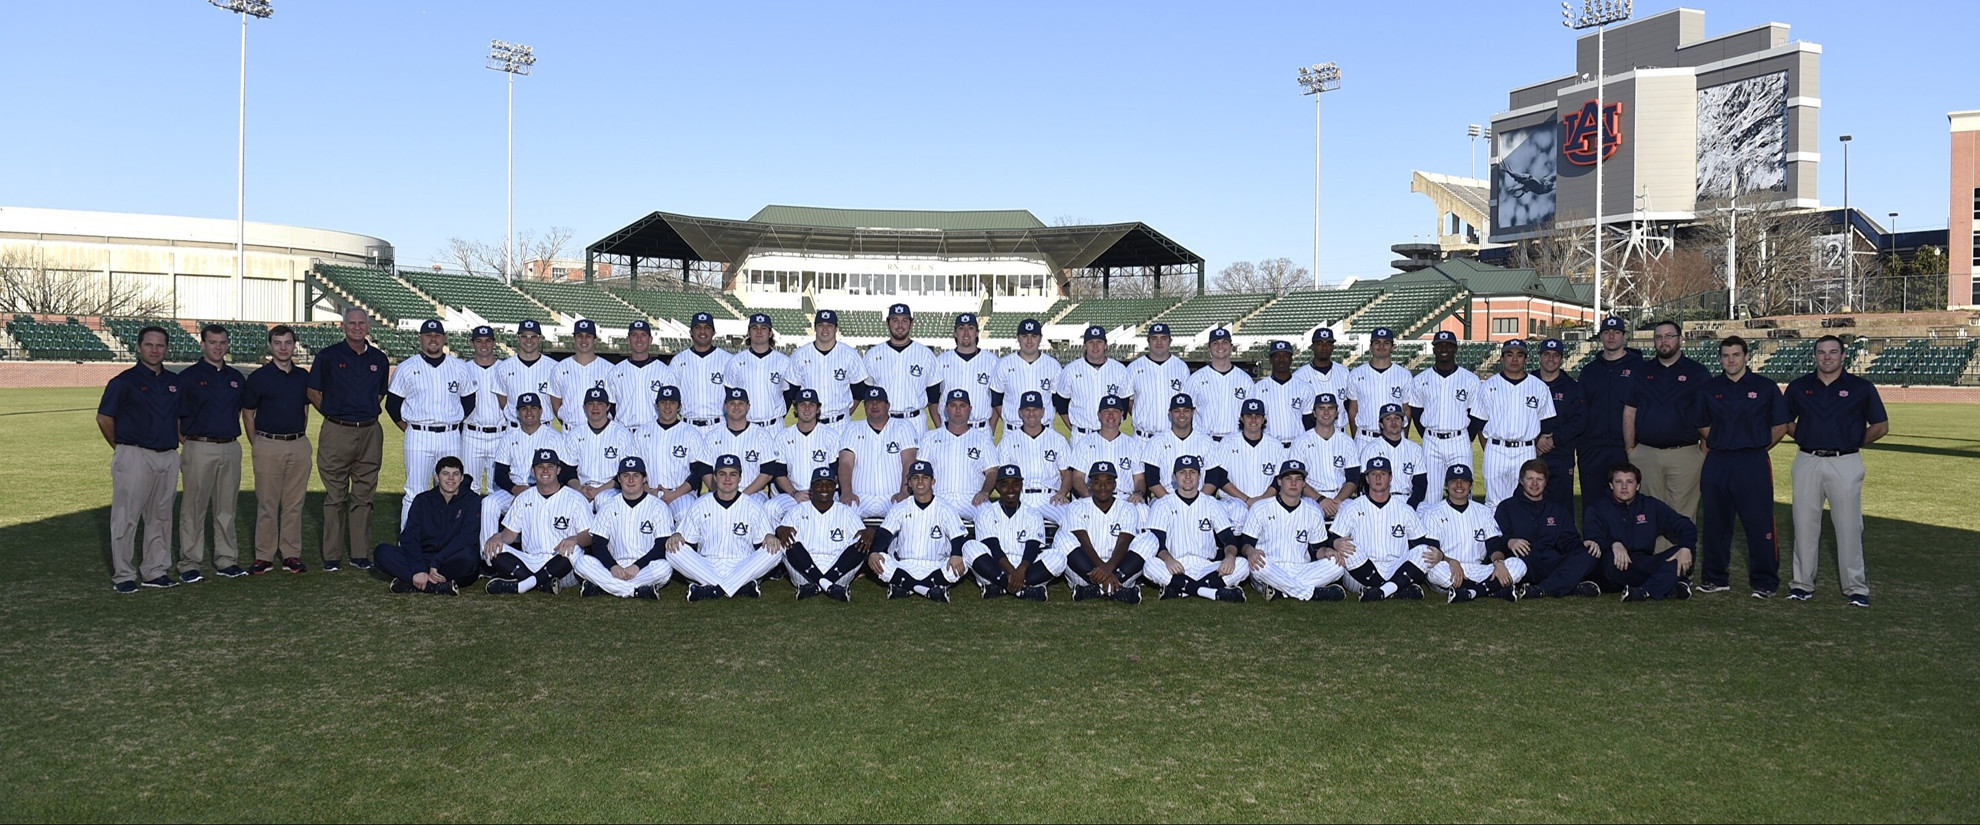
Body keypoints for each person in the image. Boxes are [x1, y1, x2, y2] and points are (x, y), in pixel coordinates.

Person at [1784, 334, 1887, 607]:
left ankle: (1855, 587)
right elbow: (1784, 422)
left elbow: (1880, 426)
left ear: (1843, 356)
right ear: (1815, 355)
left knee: (1849, 526)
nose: (1827, 357)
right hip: (1808, 460)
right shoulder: (1798, 387)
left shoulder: (1861, 387)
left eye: (1833, 352)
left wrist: (1851, 442)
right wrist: (1806, 437)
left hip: (1846, 462)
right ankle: (1801, 584)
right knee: (1804, 525)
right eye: (1821, 352)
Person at [1694, 335, 1789, 598]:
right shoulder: (1709, 388)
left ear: (1747, 356)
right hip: (1718, 461)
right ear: (1720, 358)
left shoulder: (1765, 387)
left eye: (1736, 355)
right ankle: (1715, 578)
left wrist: (1756, 447)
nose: (1731, 360)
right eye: (1726, 355)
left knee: (1759, 523)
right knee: (1715, 523)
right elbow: (1702, 423)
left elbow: (1780, 425)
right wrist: (1721, 441)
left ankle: (1765, 581)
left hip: (1752, 462)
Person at [98, 325, 183, 592]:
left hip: (167, 456)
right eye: (149, 345)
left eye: (160, 345)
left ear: (166, 349)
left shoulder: (174, 383)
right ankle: (123, 575)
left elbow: (179, 420)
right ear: (138, 347)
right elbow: (104, 418)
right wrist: (122, 449)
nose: (155, 350)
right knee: (126, 517)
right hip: (134, 454)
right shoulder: (123, 382)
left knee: (161, 517)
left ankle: (155, 571)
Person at [308, 306, 390, 572]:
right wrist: (335, 414)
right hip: (337, 430)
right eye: (351, 323)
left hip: (369, 431)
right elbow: (313, 391)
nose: (356, 327)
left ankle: (359, 553)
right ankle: (332, 556)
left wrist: (361, 413)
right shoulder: (328, 356)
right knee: (336, 496)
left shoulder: (379, 358)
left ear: (368, 327)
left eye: (361, 323)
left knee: (364, 496)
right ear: (343, 326)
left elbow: (379, 394)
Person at [1623, 320, 1711, 551]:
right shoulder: (1641, 372)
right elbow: (1629, 412)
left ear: (1681, 339)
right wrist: (1631, 450)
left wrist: (1703, 450)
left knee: (1682, 513)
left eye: (1669, 336)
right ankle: (1658, 566)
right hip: (1646, 453)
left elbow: (1709, 415)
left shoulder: (1697, 373)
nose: (1664, 341)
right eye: (1659, 337)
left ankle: (1681, 568)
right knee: (1650, 513)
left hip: (1685, 453)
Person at [388, 319, 477, 531]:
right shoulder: (407, 367)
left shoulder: (459, 367)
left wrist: (453, 422)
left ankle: (445, 542)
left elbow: (469, 401)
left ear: (444, 338)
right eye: (428, 335)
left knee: (451, 489)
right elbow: (392, 405)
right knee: (414, 492)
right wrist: (409, 429)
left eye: (437, 335)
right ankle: (408, 544)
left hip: (450, 434)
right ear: (420, 338)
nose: (433, 339)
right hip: (419, 433)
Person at [175, 323, 248, 581]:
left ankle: (226, 559)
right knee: (194, 507)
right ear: (202, 344)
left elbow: (238, 412)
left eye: (222, 342)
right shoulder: (187, 378)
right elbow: (175, 417)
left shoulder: (236, 378)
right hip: (199, 446)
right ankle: (190, 563)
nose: (218, 347)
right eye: (213, 342)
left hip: (230, 446)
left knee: (226, 508)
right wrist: (191, 443)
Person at [241, 324, 311, 575]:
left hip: (298, 444)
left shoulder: (303, 376)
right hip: (268, 444)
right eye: (278, 343)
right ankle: (264, 556)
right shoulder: (259, 378)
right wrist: (257, 443)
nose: (283, 348)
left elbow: (305, 409)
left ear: (294, 345)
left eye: (288, 342)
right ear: (270, 346)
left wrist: (298, 436)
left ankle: (291, 554)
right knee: (267, 503)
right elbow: (248, 414)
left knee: (294, 503)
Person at [668, 454, 785, 601]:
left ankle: (714, 590)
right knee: (672, 550)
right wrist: (677, 535)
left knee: (776, 551)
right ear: (715, 478)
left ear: (740, 478)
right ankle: (738, 587)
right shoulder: (700, 504)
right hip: (707, 565)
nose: (727, 479)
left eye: (733, 474)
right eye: (722, 474)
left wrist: (769, 536)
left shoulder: (752, 506)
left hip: (742, 565)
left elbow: (764, 542)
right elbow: (688, 542)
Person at [1134, 455, 1248, 602]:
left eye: (1192, 472)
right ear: (1174, 477)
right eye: (1182, 472)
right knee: (1150, 565)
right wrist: (1168, 560)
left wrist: (1230, 557)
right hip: (1175, 565)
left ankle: (1180, 590)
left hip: (1206, 566)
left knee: (1242, 564)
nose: (1188, 476)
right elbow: (1158, 541)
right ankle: (1212, 592)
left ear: (1199, 476)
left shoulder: (1211, 503)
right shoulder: (1162, 504)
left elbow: (1228, 538)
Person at [481, 448, 591, 595]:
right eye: (540, 467)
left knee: (575, 550)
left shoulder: (576, 498)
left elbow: (589, 536)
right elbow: (510, 534)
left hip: (562, 565)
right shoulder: (524, 497)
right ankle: (541, 584)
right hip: (530, 561)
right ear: (533, 471)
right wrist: (497, 537)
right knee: (494, 548)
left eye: (550, 466)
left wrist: (575, 538)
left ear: (558, 470)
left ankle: (524, 585)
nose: (545, 470)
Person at [1324, 456, 1435, 602]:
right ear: (1367, 479)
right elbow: (1332, 538)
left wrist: (1436, 554)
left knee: (1424, 550)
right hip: (1360, 573)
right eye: (1373, 474)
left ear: (1390, 478)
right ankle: (1394, 590)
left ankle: (1380, 592)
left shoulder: (1404, 509)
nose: (1378, 478)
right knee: (1348, 547)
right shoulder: (1352, 507)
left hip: (1396, 569)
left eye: (1382, 474)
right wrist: (1335, 543)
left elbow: (1420, 542)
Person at [1584, 463, 1697, 602]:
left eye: (1629, 482)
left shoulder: (1651, 506)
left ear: (1637, 486)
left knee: (1686, 551)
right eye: (1619, 482)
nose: (1624, 487)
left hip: (1644, 561)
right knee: (1609, 563)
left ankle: (1645, 591)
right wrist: (1613, 544)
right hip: (1617, 564)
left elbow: (1685, 525)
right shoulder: (1597, 508)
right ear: (1611, 485)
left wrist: (1686, 546)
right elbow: (1592, 538)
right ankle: (1667, 585)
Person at [1237, 460, 1347, 602]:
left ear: (1304, 484)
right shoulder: (1260, 507)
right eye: (1288, 479)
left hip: (1300, 568)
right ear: (1279, 482)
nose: (1293, 483)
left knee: (1336, 565)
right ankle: (1313, 594)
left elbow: (1316, 550)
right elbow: (1245, 543)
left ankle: (1281, 592)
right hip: (1269, 567)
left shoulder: (1313, 512)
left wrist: (1326, 552)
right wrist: (1250, 551)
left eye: (1298, 479)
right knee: (1257, 564)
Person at [376, 456, 481, 596]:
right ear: (437, 477)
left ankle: (413, 582)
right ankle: (435, 586)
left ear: (462, 478)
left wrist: (436, 563)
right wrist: (419, 568)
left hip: (449, 558)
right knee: (381, 552)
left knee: (470, 557)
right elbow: (409, 537)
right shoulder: (422, 500)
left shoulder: (472, 500)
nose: (451, 478)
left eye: (455, 474)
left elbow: (467, 537)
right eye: (445, 474)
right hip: (423, 556)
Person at [1495, 459, 1601, 599]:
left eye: (1539, 479)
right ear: (1521, 481)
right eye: (1530, 478)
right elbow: (1495, 539)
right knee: (1521, 558)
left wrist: (1583, 545)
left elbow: (1568, 541)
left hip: (1552, 561)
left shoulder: (1557, 509)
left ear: (1546, 482)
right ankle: (1567, 585)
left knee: (1590, 554)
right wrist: (1509, 541)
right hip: (1526, 560)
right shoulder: (1506, 507)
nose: (1534, 484)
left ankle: (1542, 589)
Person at [867, 460, 970, 602]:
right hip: (904, 565)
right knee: (879, 558)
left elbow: (958, 537)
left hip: (937, 565)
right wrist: (874, 552)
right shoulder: (900, 507)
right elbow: (884, 534)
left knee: (963, 559)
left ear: (933, 481)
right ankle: (930, 589)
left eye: (925, 477)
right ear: (909, 482)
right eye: (915, 478)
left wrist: (956, 554)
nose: (920, 481)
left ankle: (904, 586)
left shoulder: (945, 508)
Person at [1417, 465, 1523, 602]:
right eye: (1454, 481)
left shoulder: (1483, 511)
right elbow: (1433, 551)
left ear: (1471, 486)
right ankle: (1493, 589)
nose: (1459, 485)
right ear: (1446, 485)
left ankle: (1469, 591)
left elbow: (1494, 546)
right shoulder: (1432, 512)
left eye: (1464, 481)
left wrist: (1499, 562)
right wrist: (1450, 561)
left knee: (1519, 564)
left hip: (1477, 569)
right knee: (1434, 569)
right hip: (1448, 567)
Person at [1472, 339, 1555, 510]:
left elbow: (1547, 423)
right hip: (1496, 448)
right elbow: (1480, 424)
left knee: (1526, 500)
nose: (1514, 359)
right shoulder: (1488, 386)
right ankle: (1496, 537)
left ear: (1526, 359)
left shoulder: (1539, 387)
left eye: (1519, 355)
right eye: (1509, 355)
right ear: (1502, 359)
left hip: (1525, 449)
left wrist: (1536, 447)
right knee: (1494, 502)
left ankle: (1522, 537)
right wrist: (1489, 448)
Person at [574, 456, 673, 600]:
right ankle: (636, 591)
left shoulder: (658, 507)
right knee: (582, 563)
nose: (631, 480)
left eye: (636, 476)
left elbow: (660, 546)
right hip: (614, 567)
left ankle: (606, 587)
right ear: (619, 479)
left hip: (644, 567)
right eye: (626, 476)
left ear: (644, 479)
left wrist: (637, 566)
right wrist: (613, 567)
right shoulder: (609, 506)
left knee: (664, 568)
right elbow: (598, 544)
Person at [481, 393, 571, 547]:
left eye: (533, 408)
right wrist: (515, 489)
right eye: (524, 408)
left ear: (541, 411)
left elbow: (563, 472)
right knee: (489, 502)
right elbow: (500, 474)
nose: (529, 412)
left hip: (544, 491)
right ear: (517, 412)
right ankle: (489, 556)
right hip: (514, 490)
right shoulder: (509, 438)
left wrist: (532, 492)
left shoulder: (555, 437)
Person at [1054, 461, 1147, 603]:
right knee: (1061, 537)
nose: (1103, 487)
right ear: (1090, 485)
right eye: (1097, 482)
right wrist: (1104, 570)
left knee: (1149, 539)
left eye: (1108, 482)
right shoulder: (1077, 506)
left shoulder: (1127, 508)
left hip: (1120, 571)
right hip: (1085, 573)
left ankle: (1097, 590)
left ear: (1115, 485)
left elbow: (1124, 543)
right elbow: (1084, 544)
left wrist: (1109, 568)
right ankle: (1115, 590)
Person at [963, 465, 1058, 601]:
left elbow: (1032, 547)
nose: (1011, 489)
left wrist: (1020, 571)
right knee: (969, 547)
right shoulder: (986, 511)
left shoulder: (1033, 513)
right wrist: (1012, 573)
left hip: (1026, 567)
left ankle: (1001, 586)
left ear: (1021, 485)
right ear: (997, 487)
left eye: (1015, 484)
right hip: (995, 566)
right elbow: (992, 547)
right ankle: (1021, 588)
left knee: (1058, 556)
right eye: (1005, 484)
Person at [1577, 316, 1643, 508]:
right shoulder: (1589, 371)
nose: (1611, 336)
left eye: (1616, 332)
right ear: (1601, 337)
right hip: (1593, 448)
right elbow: (1581, 410)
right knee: (1592, 501)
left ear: (1624, 336)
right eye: (1606, 332)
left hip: (1627, 447)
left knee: (1627, 501)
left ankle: (1627, 539)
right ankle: (1592, 539)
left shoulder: (1639, 368)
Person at [776, 467, 870, 601]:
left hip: (839, 569)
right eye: (819, 484)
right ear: (811, 488)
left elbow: (863, 539)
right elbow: (784, 535)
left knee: (861, 541)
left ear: (835, 488)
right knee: (788, 539)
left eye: (829, 484)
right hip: (803, 572)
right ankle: (829, 587)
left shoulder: (846, 512)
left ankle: (817, 586)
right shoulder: (797, 510)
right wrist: (780, 530)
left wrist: (869, 533)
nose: (824, 489)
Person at [837, 387, 922, 518]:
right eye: (870, 403)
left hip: (893, 495)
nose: (874, 406)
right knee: (844, 514)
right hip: (861, 497)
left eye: (879, 402)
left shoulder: (903, 426)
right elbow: (845, 463)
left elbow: (909, 461)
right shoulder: (853, 428)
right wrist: (847, 492)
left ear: (888, 406)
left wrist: (904, 492)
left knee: (906, 516)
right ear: (864, 407)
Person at [1409, 330, 1479, 487]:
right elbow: (1416, 411)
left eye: (1449, 345)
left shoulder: (1470, 379)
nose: (1444, 349)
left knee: (1462, 491)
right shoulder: (1421, 379)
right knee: (1430, 493)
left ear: (1456, 349)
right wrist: (1427, 434)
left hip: (1459, 440)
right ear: (1434, 349)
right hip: (1431, 440)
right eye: (1440, 345)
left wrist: (1467, 438)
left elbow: (1475, 414)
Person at [631, 385, 709, 521]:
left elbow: (698, 472)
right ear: (657, 405)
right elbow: (634, 468)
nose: (667, 406)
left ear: (679, 406)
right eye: (663, 402)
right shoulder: (642, 432)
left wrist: (674, 494)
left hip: (681, 494)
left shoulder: (690, 433)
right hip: (648, 491)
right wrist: (646, 489)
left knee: (687, 514)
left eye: (672, 403)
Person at [917, 389, 997, 519]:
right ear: (946, 409)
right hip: (939, 497)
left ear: (970, 409)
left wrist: (985, 492)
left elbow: (992, 472)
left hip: (972, 498)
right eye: (953, 406)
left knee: (988, 514)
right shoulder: (930, 437)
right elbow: (921, 471)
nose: (958, 410)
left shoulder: (983, 439)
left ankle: (986, 541)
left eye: (962, 406)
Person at [1208, 399, 1290, 524]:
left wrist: (1261, 500)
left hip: (1267, 501)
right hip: (1234, 501)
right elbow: (1221, 477)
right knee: (1238, 513)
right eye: (1249, 416)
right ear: (1242, 418)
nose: (1253, 420)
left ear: (1263, 419)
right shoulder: (1227, 442)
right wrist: (1246, 500)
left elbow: (1279, 479)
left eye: (1257, 416)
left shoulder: (1275, 445)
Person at [997, 391, 1072, 524]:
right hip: (1020, 496)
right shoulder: (1008, 441)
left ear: (1043, 412)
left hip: (1049, 497)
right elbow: (1000, 476)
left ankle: (1059, 545)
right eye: (1027, 410)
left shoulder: (1057, 439)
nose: (1031, 414)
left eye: (1035, 410)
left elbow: (1067, 474)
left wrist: (1061, 493)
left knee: (1070, 519)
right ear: (1020, 412)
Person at [765, 388, 840, 520]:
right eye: (802, 404)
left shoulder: (830, 435)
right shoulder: (782, 436)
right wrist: (794, 493)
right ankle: (776, 541)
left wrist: (821, 493)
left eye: (811, 405)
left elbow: (836, 472)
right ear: (795, 409)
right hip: (792, 495)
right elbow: (779, 473)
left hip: (824, 493)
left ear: (818, 409)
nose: (807, 408)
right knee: (770, 508)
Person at [787, 309, 867, 430]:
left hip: (840, 424)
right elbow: (793, 391)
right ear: (815, 328)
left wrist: (845, 412)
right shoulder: (800, 355)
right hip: (811, 424)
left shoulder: (849, 354)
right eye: (820, 325)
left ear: (836, 329)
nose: (825, 329)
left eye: (829, 325)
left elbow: (859, 390)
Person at [864, 303, 940, 427]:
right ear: (887, 323)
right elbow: (866, 392)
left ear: (911, 323)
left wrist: (939, 428)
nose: (900, 325)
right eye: (895, 320)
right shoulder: (873, 355)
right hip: (884, 422)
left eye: (904, 320)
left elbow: (933, 397)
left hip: (915, 421)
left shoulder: (925, 354)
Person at [1287, 392, 1362, 517]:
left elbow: (1353, 478)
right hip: (1312, 497)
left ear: (1337, 412)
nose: (1326, 413)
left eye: (1330, 408)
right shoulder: (1301, 441)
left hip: (1340, 497)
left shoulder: (1346, 441)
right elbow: (1297, 478)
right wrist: (1320, 499)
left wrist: (1337, 500)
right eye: (1321, 409)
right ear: (1314, 413)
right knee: (1309, 512)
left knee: (1355, 512)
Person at [700, 387, 780, 501]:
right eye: (732, 403)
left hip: (753, 493)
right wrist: (719, 492)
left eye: (741, 403)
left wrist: (742, 496)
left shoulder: (761, 435)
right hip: (719, 493)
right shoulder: (713, 436)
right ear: (725, 406)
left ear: (748, 407)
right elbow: (705, 470)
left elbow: (768, 472)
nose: (736, 407)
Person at [1533, 338, 1586, 508]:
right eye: (1546, 354)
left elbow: (1579, 421)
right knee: (1529, 504)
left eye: (1556, 355)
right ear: (1539, 357)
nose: (1551, 359)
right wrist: (1536, 439)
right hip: (1530, 453)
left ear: (1561, 359)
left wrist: (1553, 439)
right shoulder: (1528, 382)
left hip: (1561, 455)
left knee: (1561, 508)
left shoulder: (1572, 387)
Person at [562, 386, 637, 505]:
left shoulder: (622, 434)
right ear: (584, 407)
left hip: (611, 490)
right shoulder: (575, 434)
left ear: (607, 406)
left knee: (603, 499)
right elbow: (567, 469)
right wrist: (579, 489)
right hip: (582, 488)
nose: (595, 408)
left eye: (600, 403)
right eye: (591, 403)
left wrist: (599, 491)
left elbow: (627, 471)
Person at [1058, 324, 1135, 439]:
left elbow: (1123, 404)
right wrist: (1075, 428)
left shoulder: (1119, 370)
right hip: (1081, 435)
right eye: (1091, 342)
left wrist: (1112, 428)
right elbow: (1061, 404)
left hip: (1110, 435)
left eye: (1099, 342)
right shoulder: (1071, 370)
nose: (1095, 346)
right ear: (1085, 345)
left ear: (1105, 345)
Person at [460, 326, 509, 495]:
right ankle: (469, 522)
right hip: (472, 434)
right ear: (472, 343)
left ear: (494, 343)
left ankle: (493, 522)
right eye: (479, 341)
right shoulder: (463, 369)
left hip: (500, 434)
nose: (483, 345)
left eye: (488, 341)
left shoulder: (506, 368)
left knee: (497, 489)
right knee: (468, 487)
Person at [722, 313, 792, 429]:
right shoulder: (735, 361)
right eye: (754, 328)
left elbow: (788, 395)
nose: (759, 332)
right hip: (746, 426)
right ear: (749, 333)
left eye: (763, 328)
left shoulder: (783, 362)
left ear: (770, 333)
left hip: (774, 427)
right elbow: (730, 395)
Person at [1069, 395, 1145, 502]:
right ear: (1099, 415)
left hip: (1124, 498)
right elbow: (1077, 478)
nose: (1110, 415)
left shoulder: (1133, 445)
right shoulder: (1085, 443)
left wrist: (1138, 493)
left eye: (1115, 411)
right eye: (1106, 411)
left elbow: (1139, 479)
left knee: (1144, 512)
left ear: (1122, 414)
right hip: (1092, 497)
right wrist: (1088, 496)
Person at [991, 318, 1060, 435]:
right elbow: (996, 399)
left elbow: (1057, 401)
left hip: (1045, 432)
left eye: (1033, 336)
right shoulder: (1003, 365)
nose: (1029, 341)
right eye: (1024, 336)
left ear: (1040, 338)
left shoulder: (1053, 365)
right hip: (1013, 431)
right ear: (1018, 338)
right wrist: (1011, 417)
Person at [1141, 393, 1215, 501]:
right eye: (1177, 411)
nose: (1181, 415)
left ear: (1193, 412)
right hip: (1165, 499)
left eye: (1186, 410)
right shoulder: (1156, 441)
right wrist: (1173, 503)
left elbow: (1213, 479)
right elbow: (1152, 481)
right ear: (1170, 413)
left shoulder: (1206, 441)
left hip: (1200, 498)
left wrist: (1198, 502)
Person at [1344, 327, 1413, 443]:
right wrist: (1356, 437)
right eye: (1377, 343)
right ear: (1371, 347)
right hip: (1365, 437)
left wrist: (1403, 438)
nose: (1381, 347)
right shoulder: (1356, 374)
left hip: (1394, 437)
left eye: (1386, 343)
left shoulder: (1404, 375)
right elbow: (1353, 410)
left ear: (1393, 347)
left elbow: (1406, 410)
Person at [931, 313, 998, 431]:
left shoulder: (992, 361)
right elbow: (933, 400)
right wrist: (940, 426)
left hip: (980, 429)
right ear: (955, 333)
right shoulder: (941, 361)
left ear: (977, 332)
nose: (966, 333)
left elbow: (998, 401)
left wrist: (990, 429)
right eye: (961, 328)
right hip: (949, 428)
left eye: (971, 328)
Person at [611, 319, 679, 433]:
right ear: (628, 339)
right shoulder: (615, 371)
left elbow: (673, 406)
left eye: (643, 335)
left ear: (650, 340)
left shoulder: (665, 371)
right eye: (634, 335)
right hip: (623, 432)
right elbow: (610, 407)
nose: (639, 339)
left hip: (654, 433)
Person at [1127, 322, 1193, 439]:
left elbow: (1186, 403)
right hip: (1142, 438)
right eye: (1154, 338)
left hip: (1172, 438)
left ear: (1170, 341)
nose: (1159, 342)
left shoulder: (1181, 367)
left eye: (1163, 338)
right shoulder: (1134, 367)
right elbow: (1129, 401)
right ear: (1148, 341)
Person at [1185, 327, 1252, 441]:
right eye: (1215, 343)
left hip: (1236, 441)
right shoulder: (1196, 378)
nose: (1220, 347)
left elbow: (1252, 415)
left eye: (1224, 342)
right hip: (1205, 441)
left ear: (1231, 347)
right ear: (1209, 348)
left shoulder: (1245, 379)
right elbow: (1185, 412)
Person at [1359, 403, 1430, 510]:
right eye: (1388, 419)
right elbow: (1364, 483)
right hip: (1379, 500)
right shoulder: (1370, 449)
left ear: (1403, 422)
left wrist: (1410, 506)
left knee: (1428, 513)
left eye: (1397, 418)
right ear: (1381, 424)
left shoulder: (1414, 449)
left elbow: (1420, 484)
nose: (1393, 422)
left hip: (1407, 499)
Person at [549, 319, 615, 432]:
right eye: (579, 336)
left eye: (588, 336)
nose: (583, 340)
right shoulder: (560, 368)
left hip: (601, 432)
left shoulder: (609, 369)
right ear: (574, 338)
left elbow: (614, 404)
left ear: (595, 339)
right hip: (570, 431)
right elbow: (556, 405)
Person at [669, 312, 731, 431]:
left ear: (713, 332)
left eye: (707, 328)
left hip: (719, 425)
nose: (702, 332)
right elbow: (671, 398)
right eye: (698, 328)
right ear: (691, 332)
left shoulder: (727, 360)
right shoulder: (678, 360)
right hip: (687, 425)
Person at [1252, 340, 1318, 447]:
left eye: (1285, 356)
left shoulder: (1304, 388)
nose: (1281, 360)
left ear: (1291, 359)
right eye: (1277, 356)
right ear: (1271, 359)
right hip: (1268, 446)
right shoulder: (1258, 388)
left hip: (1297, 446)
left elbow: (1309, 423)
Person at [495, 319, 557, 427]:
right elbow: (502, 398)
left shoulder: (554, 367)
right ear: (518, 338)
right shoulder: (503, 367)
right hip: (515, 428)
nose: (529, 340)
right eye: (524, 336)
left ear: (539, 339)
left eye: (533, 336)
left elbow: (558, 399)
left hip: (544, 429)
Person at [1292, 327, 1348, 409]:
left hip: (1340, 422)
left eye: (1328, 343)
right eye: (1319, 343)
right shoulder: (1298, 377)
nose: (1324, 347)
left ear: (1333, 347)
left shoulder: (1344, 372)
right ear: (1312, 347)